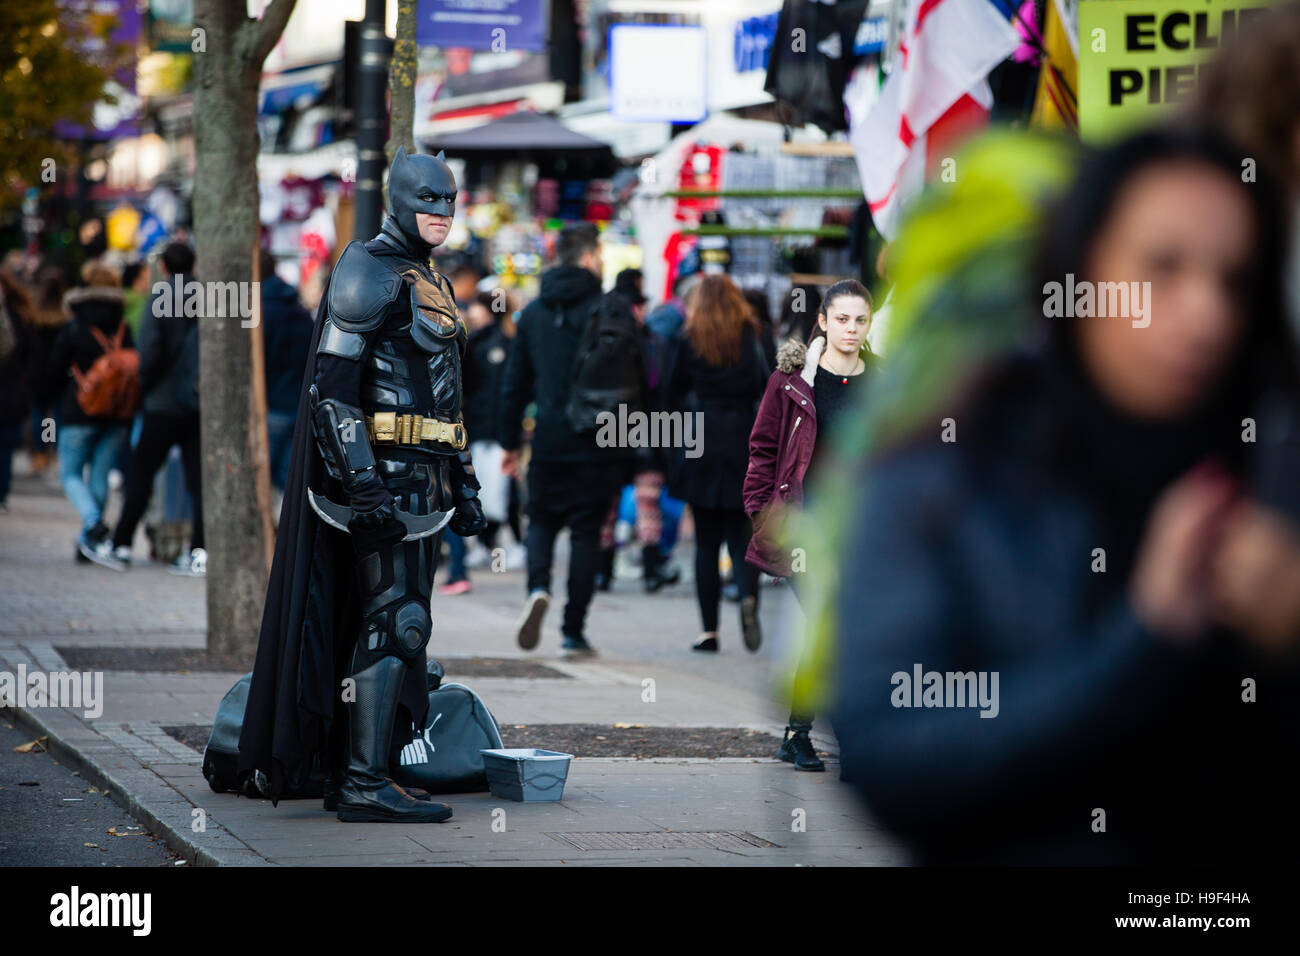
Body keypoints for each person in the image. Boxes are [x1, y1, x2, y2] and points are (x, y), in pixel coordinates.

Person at [832, 126, 1300, 864]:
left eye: (1235, 280)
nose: (1205, 314)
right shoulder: (953, 468)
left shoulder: (1274, 458)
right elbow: (888, 752)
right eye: (1162, 269)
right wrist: (1144, 638)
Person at [238, 147, 487, 824]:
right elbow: (333, 395)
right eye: (428, 200)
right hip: (381, 483)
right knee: (397, 621)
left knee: (402, 621)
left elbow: (446, 397)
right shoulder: (366, 270)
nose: (441, 212)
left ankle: (367, 772)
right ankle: (361, 782)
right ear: (401, 201)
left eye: (449, 200)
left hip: (425, 483)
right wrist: (367, 487)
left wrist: (463, 481)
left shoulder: (428, 277)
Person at [745, 279, 875, 771]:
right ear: (822, 320)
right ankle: (834, 738)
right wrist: (761, 513)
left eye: (860, 320)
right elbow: (762, 448)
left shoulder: (881, 380)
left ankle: (798, 735)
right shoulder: (792, 380)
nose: (851, 329)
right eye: (841, 318)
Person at [500, 223, 628, 656]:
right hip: (598, 440)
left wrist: (508, 442)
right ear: (590, 257)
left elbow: (514, 381)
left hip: (549, 439)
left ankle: (538, 587)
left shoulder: (534, 313)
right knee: (585, 534)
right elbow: (636, 380)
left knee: (541, 519)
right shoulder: (611, 308)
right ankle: (574, 630)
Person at [85, 242, 206, 575]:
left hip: (163, 403)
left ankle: (121, 544)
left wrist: (146, 388)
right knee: (198, 481)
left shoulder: (160, 298)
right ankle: (199, 551)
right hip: (196, 403)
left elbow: (150, 352)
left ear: (164, 267)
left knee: (141, 474)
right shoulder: (209, 296)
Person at [668, 274, 769, 653]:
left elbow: (671, 390)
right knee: (743, 537)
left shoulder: (688, 336)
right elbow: (768, 384)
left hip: (700, 439)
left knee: (706, 544)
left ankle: (709, 631)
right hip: (745, 439)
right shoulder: (754, 333)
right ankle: (748, 599)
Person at [44, 262, 132, 562]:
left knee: (69, 472)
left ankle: (92, 523)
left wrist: (47, 405)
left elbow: (55, 370)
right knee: (100, 474)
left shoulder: (75, 325)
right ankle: (88, 543)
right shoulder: (123, 326)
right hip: (118, 413)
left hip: (79, 411)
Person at [439, 290, 513, 595]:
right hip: (467, 430)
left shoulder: (485, 344)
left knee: (466, 497)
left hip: (473, 432)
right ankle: (465, 562)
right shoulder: (474, 341)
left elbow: (488, 392)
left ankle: (466, 564)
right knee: (463, 494)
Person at [259, 249, 314, 492]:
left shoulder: (260, 312)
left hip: (272, 404)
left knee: (263, 478)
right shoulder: (296, 306)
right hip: (298, 402)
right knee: (288, 479)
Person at [0, 270, 37, 511]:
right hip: (14, 391)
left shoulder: (19, 317)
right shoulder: (21, 315)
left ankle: (2, 492)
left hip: (11, 392)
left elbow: (30, 356)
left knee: (5, 445)